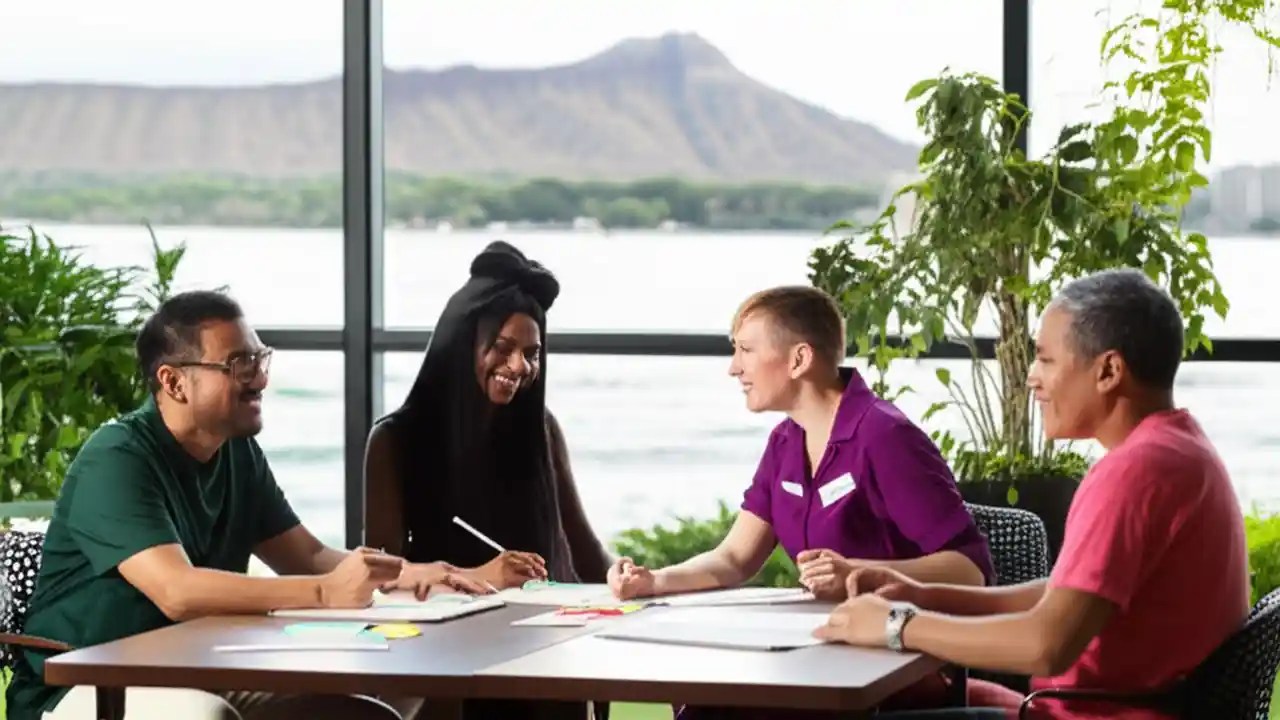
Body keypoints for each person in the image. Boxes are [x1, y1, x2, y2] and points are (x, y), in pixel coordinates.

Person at [7, 291, 475, 720]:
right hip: (85, 684)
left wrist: (411, 574)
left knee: (380, 697)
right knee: (205, 716)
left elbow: (308, 558)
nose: (261, 377)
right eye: (239, 363)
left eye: (260, 357)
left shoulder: (235, 452)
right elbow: (179, 592)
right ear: (174, 382)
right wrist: (324, 593)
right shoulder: (116, 458)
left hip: (194, 667)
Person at [814, 268, 1250, 720]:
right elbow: (1068, 597)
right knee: (917, 693)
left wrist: (895, 626)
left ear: (1108, 371)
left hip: (1090, 715)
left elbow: (1046, 645)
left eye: (1046, 360)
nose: (1031, 379)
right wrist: (924, 596)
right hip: (1100, 706)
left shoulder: (1136, 472)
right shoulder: (1179, 449)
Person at [606, 285, 993, 717]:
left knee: (718, 710)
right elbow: (735, 557)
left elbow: (971, 571)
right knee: (708, 702)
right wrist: (654, 581)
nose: (734, 368)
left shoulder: (885, 437)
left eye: (746, 350)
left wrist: (858, 573)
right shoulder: (785, 442)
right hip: (823, 651)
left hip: (896, 663)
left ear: (799, 360)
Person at [364, 240, 612, 719]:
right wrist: (478, 578)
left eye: (532, 353)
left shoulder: (541, 430)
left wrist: (636, 581)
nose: (519, 366)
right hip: (444, 649)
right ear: (463, 343)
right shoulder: (395, 441)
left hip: (541, 643)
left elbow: (583, 547)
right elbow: (379, 577)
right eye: (502, 348)